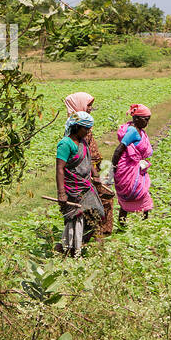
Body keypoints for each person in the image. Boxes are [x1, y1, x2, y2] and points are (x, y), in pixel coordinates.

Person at [64, 91, 114, 238]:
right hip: (85, 171)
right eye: (88, 105)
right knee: (101, 199)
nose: (91, 107)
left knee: (102, 198)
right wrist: (94, 174)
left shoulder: (83, 124)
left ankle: (95, 232)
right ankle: (95, 233)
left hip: (94, 167)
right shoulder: (75, 128)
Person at [55, 115, 104, 256]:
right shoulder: (65, 144)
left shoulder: (83, 142)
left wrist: (95, 174)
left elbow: (88, 161)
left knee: (95, 213)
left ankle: (83, 242)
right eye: (86, 128)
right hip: (72, 189)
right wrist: (61, 193)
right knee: (74, 218)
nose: (88, 131)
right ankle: (70, 248)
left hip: (86, 187)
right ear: (77, 127)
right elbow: (60, 169)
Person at [112, 103, 154, 225]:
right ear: (136, 118)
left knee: (143, 194)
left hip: (136, 168)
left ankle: (142, 224)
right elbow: (119, 149)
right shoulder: (133, 131)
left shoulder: (139, 131)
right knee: (132, 195)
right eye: (145, 119)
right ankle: (123, 225)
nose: (147, 122)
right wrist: (113, 167)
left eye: (148, 119)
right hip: (128, 169)